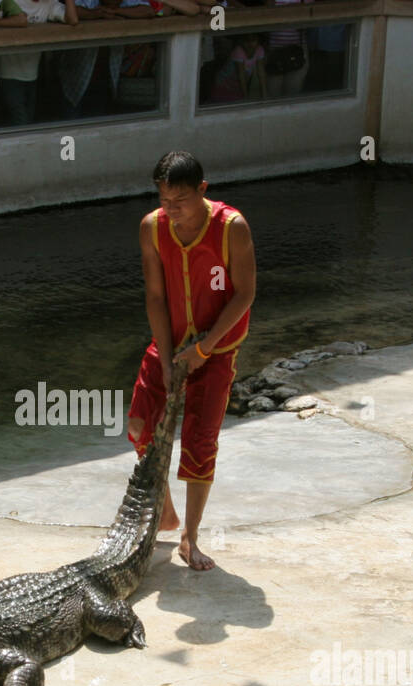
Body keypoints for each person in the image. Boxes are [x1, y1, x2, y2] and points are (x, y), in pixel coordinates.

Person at [127, 151, 255, 572]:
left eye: (180, 200)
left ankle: (190, 537)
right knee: (139, 425)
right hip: (170, 340)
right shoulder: (152, 227)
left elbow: (244, 294)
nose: (172, 209)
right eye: (164, 199)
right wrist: (166, 358)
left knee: (200, 441)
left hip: (215, 348)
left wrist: (204, 349)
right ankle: (165, 512)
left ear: (203, 190)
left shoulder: (231, 229)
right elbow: (156, 297)